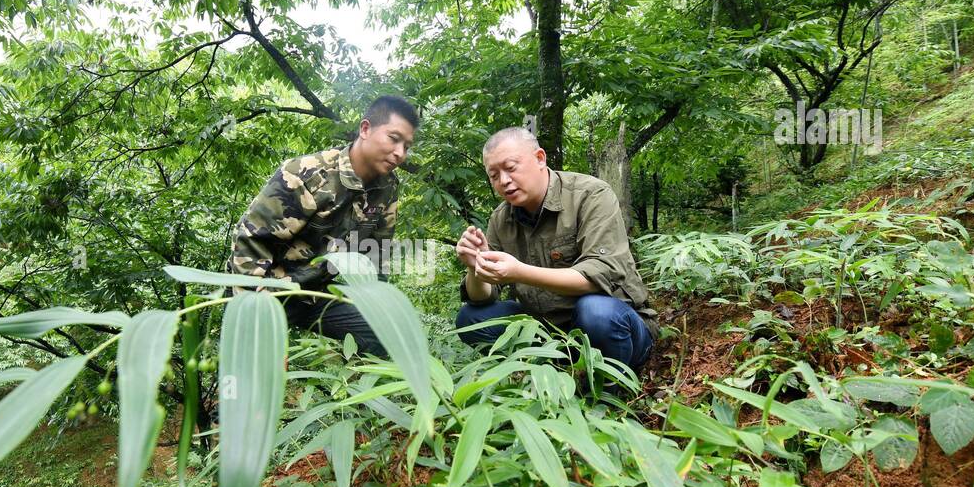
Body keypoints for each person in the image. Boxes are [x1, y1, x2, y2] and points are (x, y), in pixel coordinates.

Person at [455, 126, 658, 373]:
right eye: (494, 175)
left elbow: (599, 275)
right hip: (549, 333)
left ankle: (610, 386)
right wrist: (475, 267)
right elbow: (484, 297)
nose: (504, 181)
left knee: (595, 312)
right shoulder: (501, 219)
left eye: (511, 168)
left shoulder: (590, 195)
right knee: (471, 318)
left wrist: (518, 272)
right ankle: (548, 372)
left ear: (540, 158)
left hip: (613, 323)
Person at [228, 95, 419, 356]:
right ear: (365, 129)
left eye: (407, 146)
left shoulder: (387, 188)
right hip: (264, 290)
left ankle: (355, 381)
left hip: (316, 293)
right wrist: (257, 319)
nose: (400, 153)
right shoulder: (306, 173)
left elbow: (375, 257)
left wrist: (379, 306)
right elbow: (250, 244)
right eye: (394, 139)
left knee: (387, 329)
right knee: (253, 370)